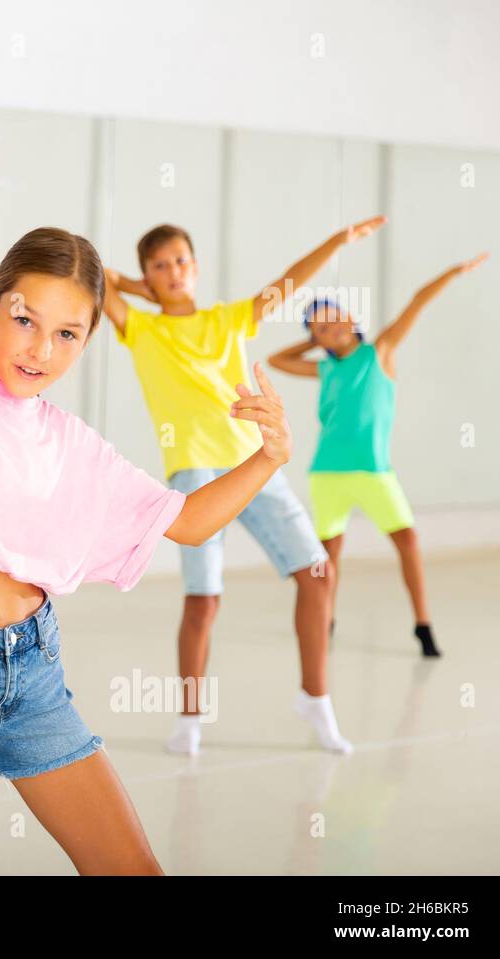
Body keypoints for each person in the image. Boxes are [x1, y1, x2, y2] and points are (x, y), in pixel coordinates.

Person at [0, 140, 298, 875]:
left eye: (67, 333)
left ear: (87, 340)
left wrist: (265, 459)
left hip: (33, 674)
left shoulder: (73, 445)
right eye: (23, 319)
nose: (40, 348)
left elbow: (190, 520)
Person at [103, 218, 386, 755]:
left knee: (317, 575)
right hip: (195, 471)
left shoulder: (228, 319)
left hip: (254, 463)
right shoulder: (140, 328)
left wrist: (337, 239)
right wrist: (136, 291)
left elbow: (288, 282)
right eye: (159, 267)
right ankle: (188, 718)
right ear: (146, 275)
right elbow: (86, 266)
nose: (173, 272)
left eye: (181, 261)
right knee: (203, 602)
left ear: (196, 265)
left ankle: (316, 700)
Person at [268, 252, 488, 658]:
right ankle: (325, 617)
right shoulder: (324, 369)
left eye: (335, 318)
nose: (329, 328)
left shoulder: (380, 353)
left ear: (352, 319)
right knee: (328, 554)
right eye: (320, 327)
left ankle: (422, 624)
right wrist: (312, 340)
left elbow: (419, 300)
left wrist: (454, 271)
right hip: (328, 473)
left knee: (407, 540)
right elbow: (275, 360)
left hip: (374, 472)